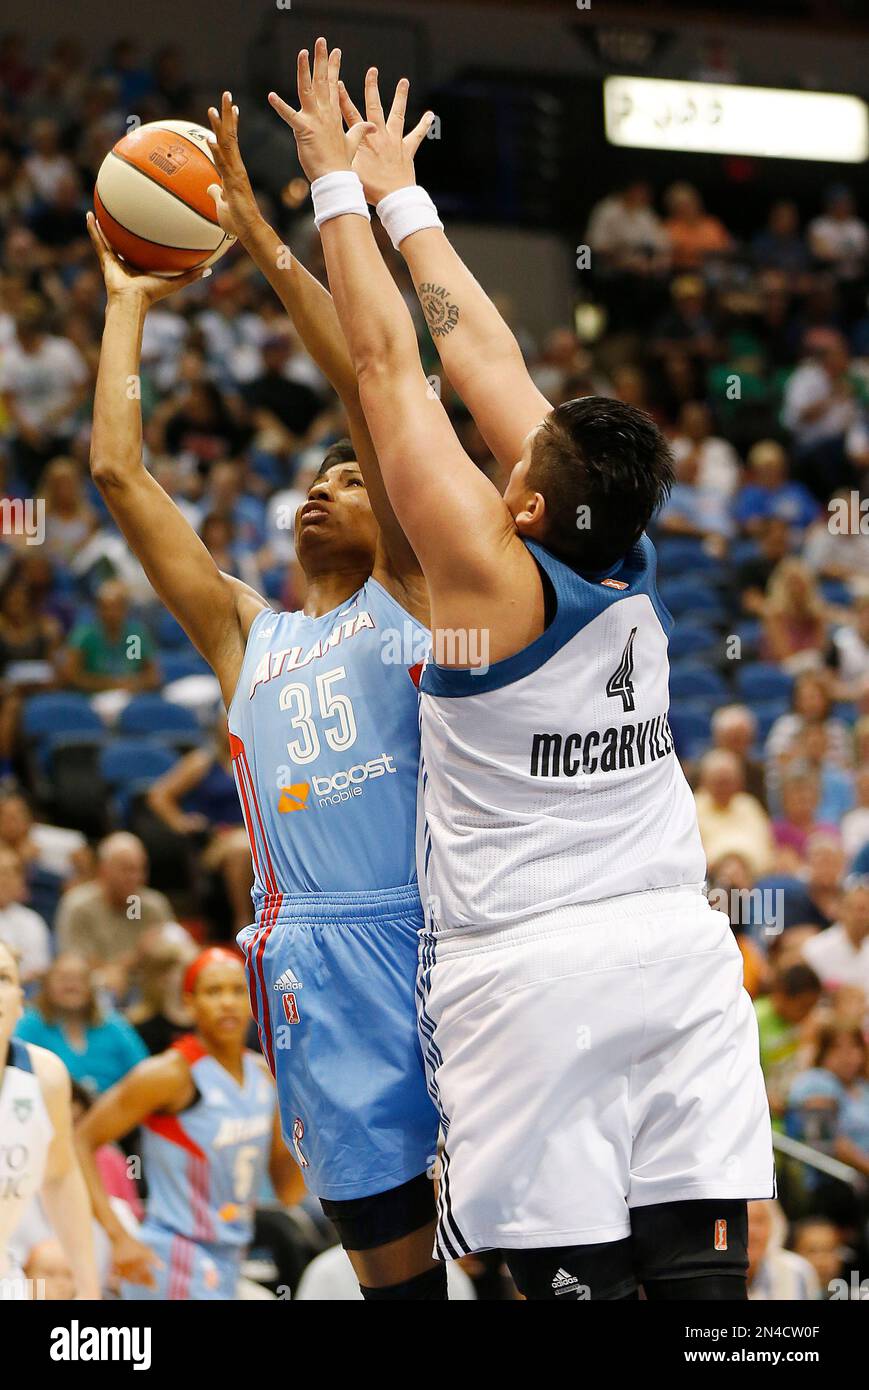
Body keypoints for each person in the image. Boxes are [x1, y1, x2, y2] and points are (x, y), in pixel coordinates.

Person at [282, 42, 774, 1299]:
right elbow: (486, 366)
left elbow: (395, 368)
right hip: (675, 957)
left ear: (528, 501)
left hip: (526, 975)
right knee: (710, 1306)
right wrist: (409, 199)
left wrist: (339, 187)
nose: (509, 444)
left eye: (519, 463)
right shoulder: (624, 550)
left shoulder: (488, 580)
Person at [85, 89, 443, 1301]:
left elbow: (371, 388)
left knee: (510, 1254)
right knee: (393, 1277)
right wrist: (127, 304)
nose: (327, 485)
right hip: (306, 961)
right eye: (315, 479)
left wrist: (260, 227)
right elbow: (118, 474)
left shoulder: (405, 582)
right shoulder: (249, 631)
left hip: (427, 932)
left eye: (349, 476)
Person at [76, 948, 300, 1301]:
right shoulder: (169, 1074)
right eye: (214, 992)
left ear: (253, 999)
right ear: (189, 1003)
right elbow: (80, 1141)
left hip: (231, 1254)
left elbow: (287, 1189)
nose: (227, 1002)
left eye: (237, 991)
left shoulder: (263, 1075)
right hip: (174, 1253)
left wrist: (313, 1126)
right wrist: (119, 1237)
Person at [0, 940, 100, 1299]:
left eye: (4, 978)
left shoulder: (45, 1077)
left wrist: (89, 1291)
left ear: (20, 1001)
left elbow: (59, 1176)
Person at [56, 831, 172, 997]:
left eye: (140, 870)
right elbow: (75, 964)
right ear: (104, 870)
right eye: (127, 870)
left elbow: (172, 956)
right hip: (95, 991)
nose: (136, 878)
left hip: (147, 991)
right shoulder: (79, 905)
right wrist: (133, 959)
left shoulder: (151, 905)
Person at [15, 952, 148, 1094]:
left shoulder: (114, 1025)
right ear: (47, 985)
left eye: (80, 979)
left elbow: (144, 1073)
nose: (71, 986)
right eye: (63, 979)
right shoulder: (30, 1025)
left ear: (92, 986)